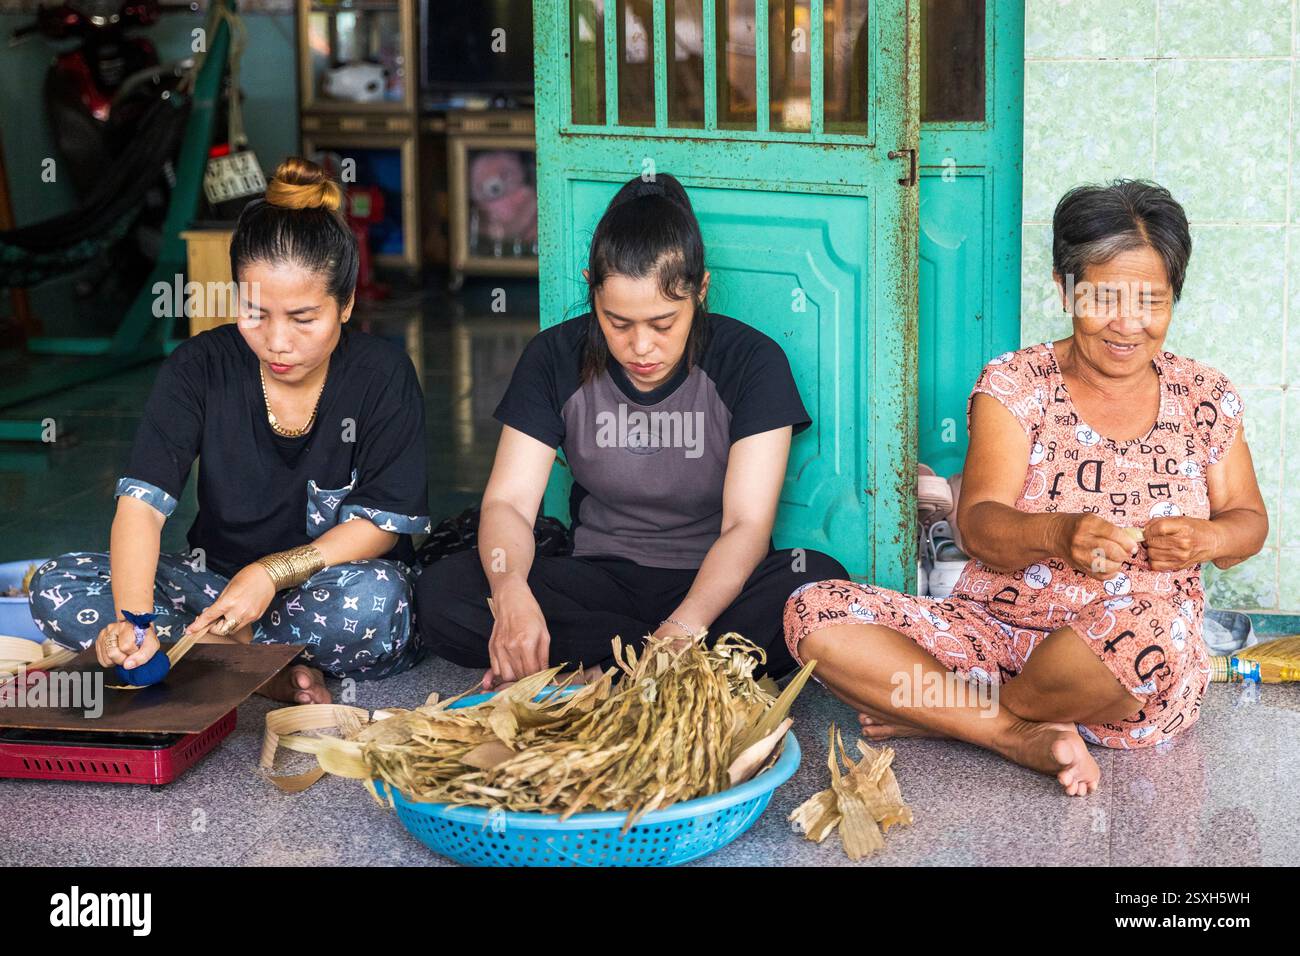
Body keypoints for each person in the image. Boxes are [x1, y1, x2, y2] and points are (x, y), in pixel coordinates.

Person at [784, 180, 1268, 795]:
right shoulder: (1015, 384)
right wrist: (1057, 533)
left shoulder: (1205, 397)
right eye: (1102, 298)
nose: (1128, 324)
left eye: (1151, 300)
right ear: (1064, 290)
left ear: (1174, 297)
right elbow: (979, 525)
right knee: (812, 611)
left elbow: (1248, 523)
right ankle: (1014, 731)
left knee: (1148, 624)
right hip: (994, 639)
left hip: (1125, 665)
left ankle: (956, 716)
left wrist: (1208, 537)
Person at [416, 173, 846, 689]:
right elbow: (507, 504)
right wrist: (510, 598)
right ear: (591, 290)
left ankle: (599, 670)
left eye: (663, 324)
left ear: (701, 292)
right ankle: (658, 674)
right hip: (597, 577)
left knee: (817, 584)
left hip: (712, 588)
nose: (641, 347)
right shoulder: (554, 358)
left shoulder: (752, 362)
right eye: (617, 323)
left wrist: (682, 629)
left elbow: (746, 527)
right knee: (444, 594)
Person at [28, 158, 431, 703]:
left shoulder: (382, 374)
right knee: (56, 583)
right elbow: (142, 507)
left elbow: (380, 529)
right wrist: (134, 625)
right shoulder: (199, 367)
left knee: (377, 599)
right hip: (214, 590)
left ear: (348, 304)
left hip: (322, 589)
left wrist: (270, 573)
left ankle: (222, 663)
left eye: (304, 318)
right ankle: (263, 671)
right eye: (254, 312)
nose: (276, 341)